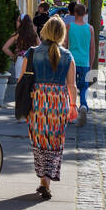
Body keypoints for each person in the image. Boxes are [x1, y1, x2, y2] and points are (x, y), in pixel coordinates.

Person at [27, 15, 77, 200]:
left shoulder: (32, 53)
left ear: (45, 30)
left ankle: (42, 178)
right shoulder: (68, 56)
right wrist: (73, 105)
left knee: (39, 140)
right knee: (55, 142)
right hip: (58, 102)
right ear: (62, 34)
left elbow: (23, 80)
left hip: (38, 101)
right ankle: (46, 179)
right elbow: (71, 85)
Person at [67, 2, 95, 120]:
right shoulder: (90, 28)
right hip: (84, 62)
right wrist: (91, 64)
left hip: (71, 61)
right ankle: (83, 105)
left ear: (74, 13)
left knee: (70, 85)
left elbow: (64, 44)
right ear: (84, 14)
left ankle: (70, 108)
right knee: (84, 86)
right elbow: (92, 48)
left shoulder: (69, 26)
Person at [2, 13, 40, 81]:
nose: (16, 22)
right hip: (32, 61)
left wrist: (13, 56)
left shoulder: (17, 35)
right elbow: (40, 46)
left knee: (19, 84)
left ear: (22, 23)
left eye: (18, 20)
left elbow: (5, 48)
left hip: (20, 60)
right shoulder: (34, 35)